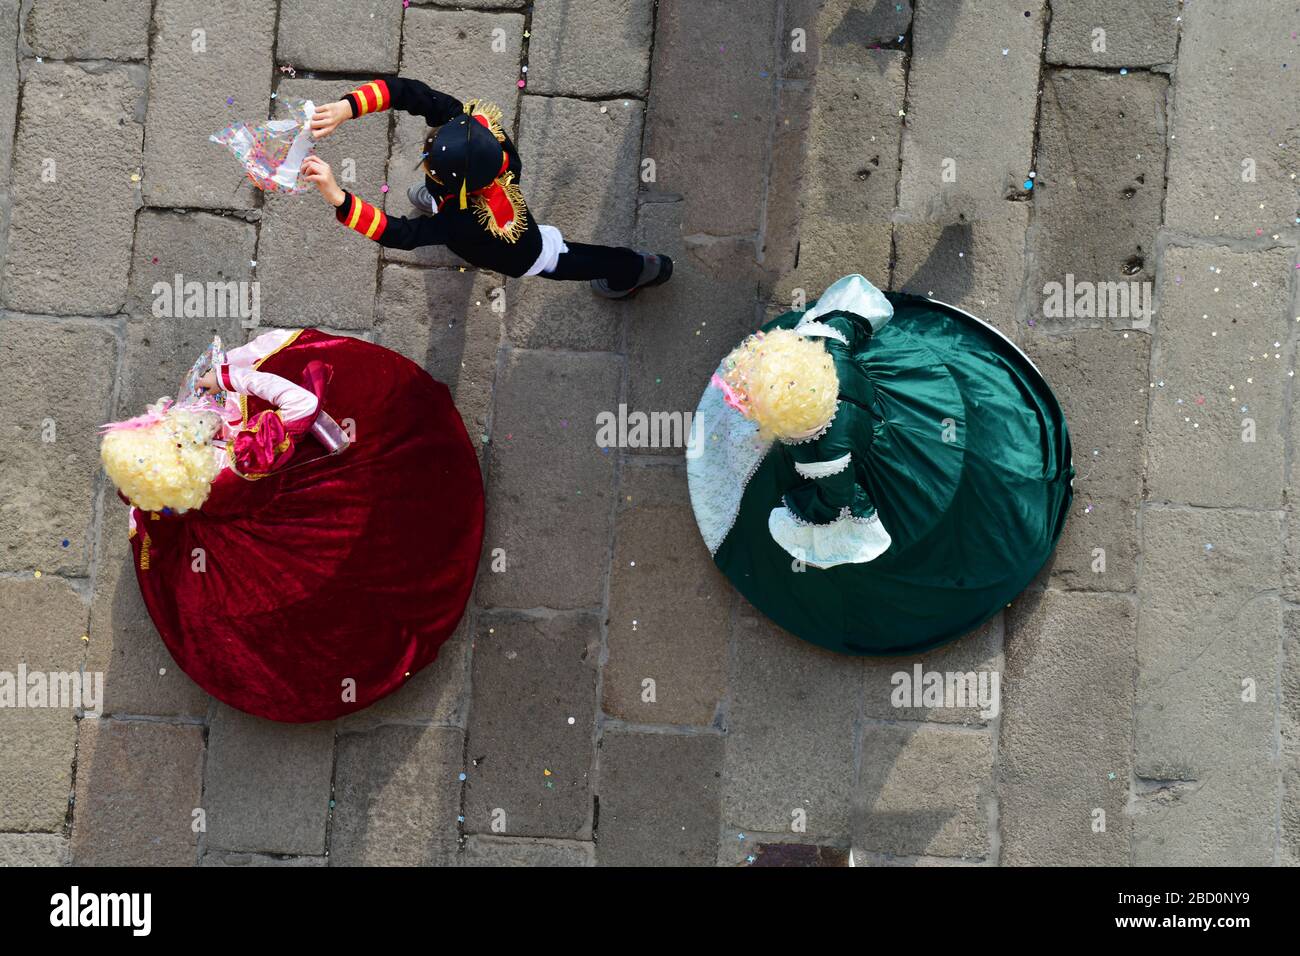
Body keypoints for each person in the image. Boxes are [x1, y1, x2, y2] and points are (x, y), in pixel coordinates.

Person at [99, 328, 484, 721]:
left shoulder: (159, 495)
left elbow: (156, 519)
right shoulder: (243, 461)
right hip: (288, 494)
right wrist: (232, 379)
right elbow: (302, 405)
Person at [687, 274, 1074, 655]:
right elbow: (849, 321)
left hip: (877, 460)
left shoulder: (821, 455)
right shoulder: (828, 348)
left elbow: (836, 499)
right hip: (902, 405)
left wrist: (797, 515)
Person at [302, 76, 673, 298]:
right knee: (437, 201)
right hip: (459, 206)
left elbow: (400, 234)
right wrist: (347, 107)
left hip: (519, 252)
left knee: (560, 259)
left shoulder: (462, 223)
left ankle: (637, 268)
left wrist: (339, 197)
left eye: (429, 161)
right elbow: (407, 92)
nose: (427, 152)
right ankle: (434, 198)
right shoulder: (471, 128)